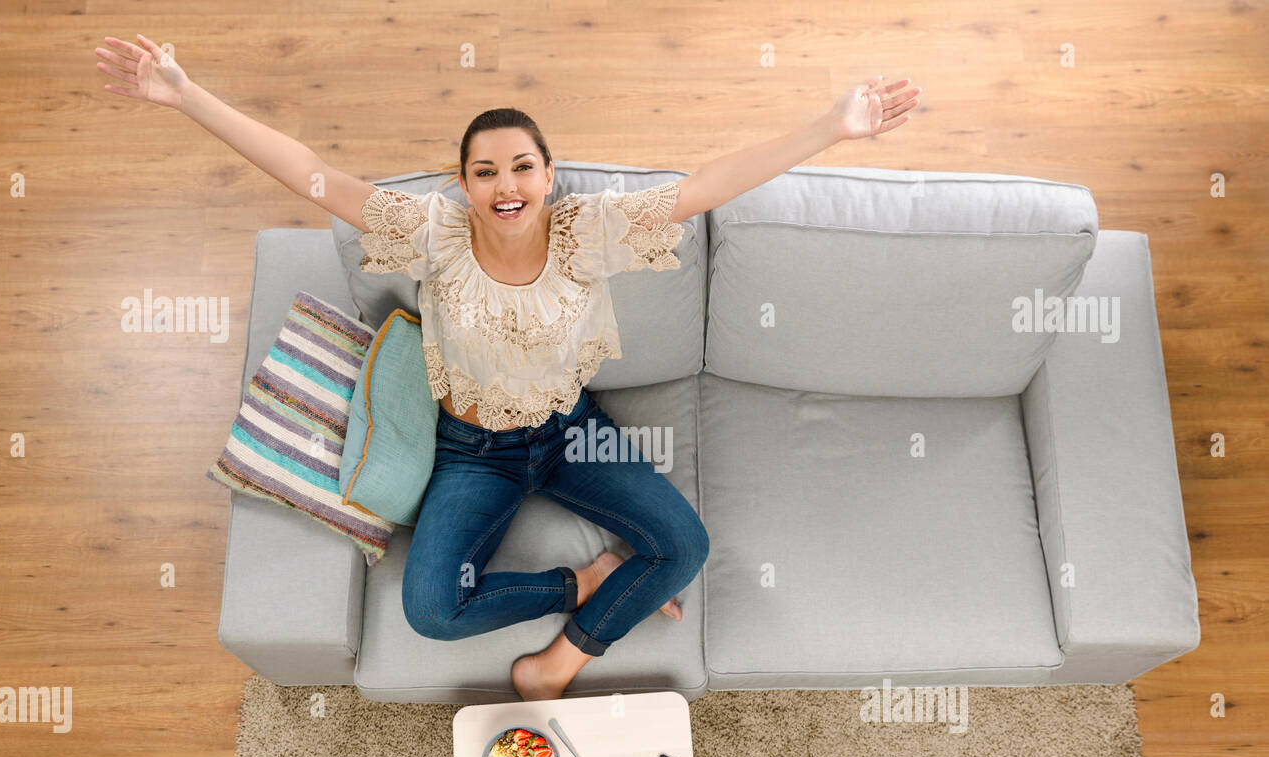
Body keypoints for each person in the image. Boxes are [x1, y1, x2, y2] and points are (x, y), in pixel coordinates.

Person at [94, 33, 920, 699]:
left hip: (568, 434)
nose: (506, 183)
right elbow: (313, 174)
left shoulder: (587, 229)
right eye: (485, 171)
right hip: (472, 450)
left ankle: (558, 666)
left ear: (549, 176)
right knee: (431, 610)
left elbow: (708, 185)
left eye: (522, 165)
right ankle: (586, 584)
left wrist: (832, 126)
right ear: (464, 185)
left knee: (684, 545)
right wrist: (186, 94)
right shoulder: (435, 234)